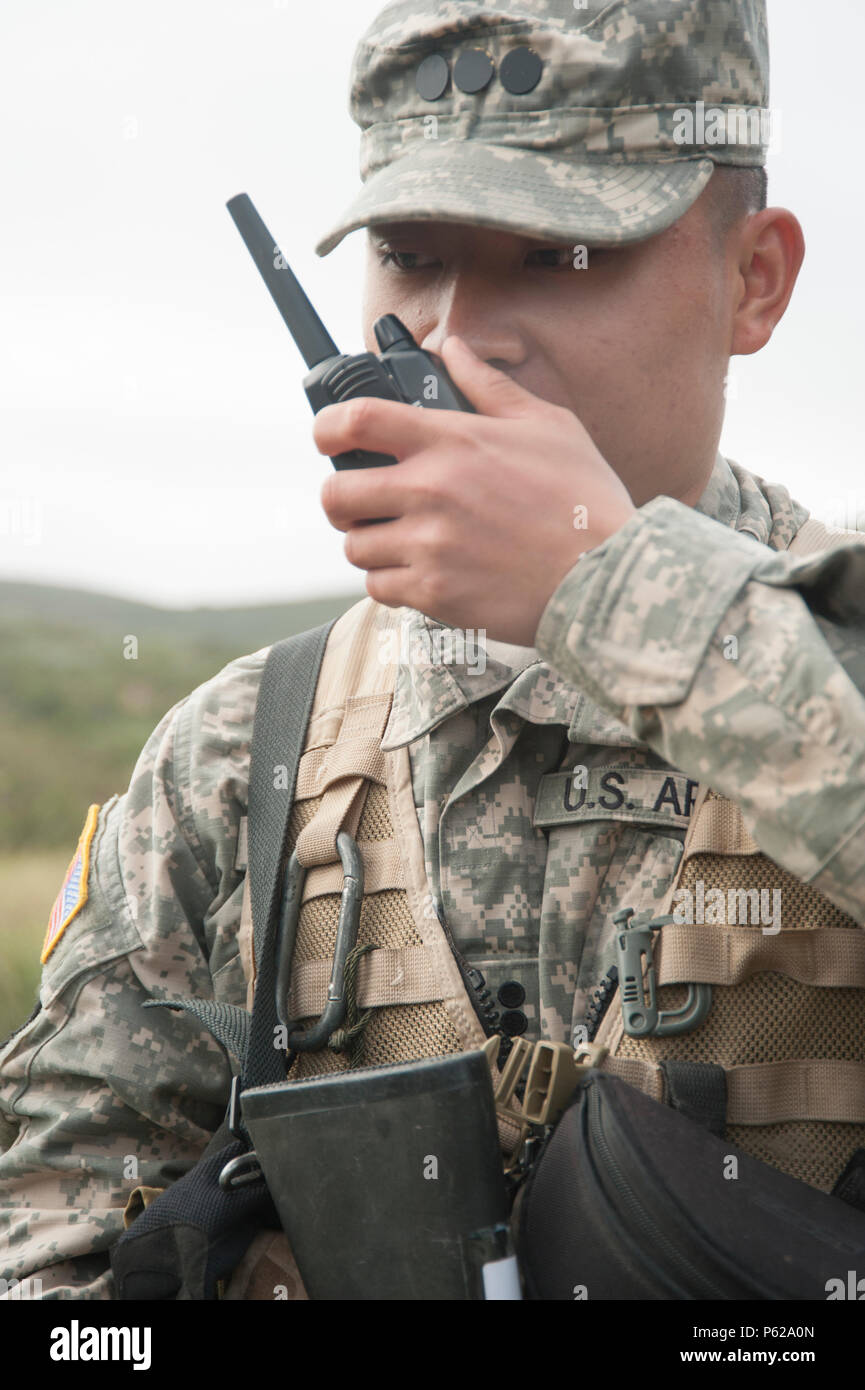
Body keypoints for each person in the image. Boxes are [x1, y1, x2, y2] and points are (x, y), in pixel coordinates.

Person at [3, 0, 865, 1301]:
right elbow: (50, 1267)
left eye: (558, 254)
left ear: (752, 278)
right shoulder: (244, 760)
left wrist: (608, 582)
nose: (460, 336)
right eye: (410, 256)